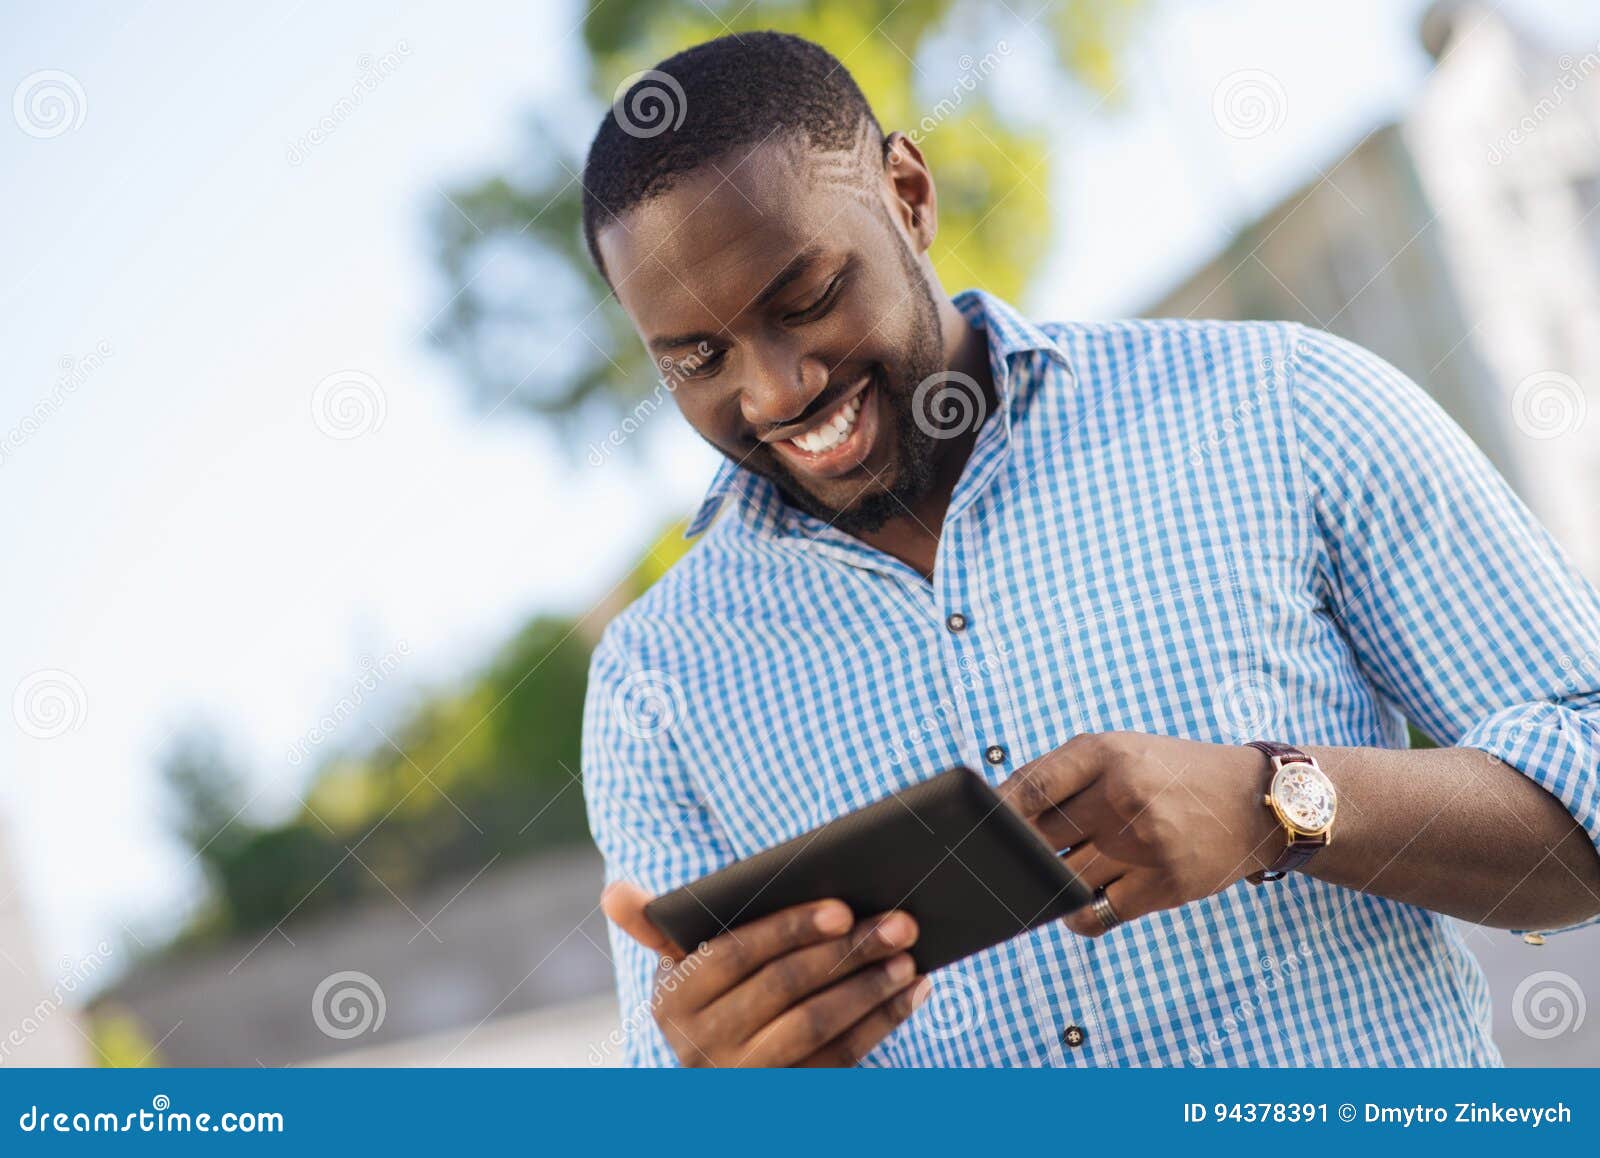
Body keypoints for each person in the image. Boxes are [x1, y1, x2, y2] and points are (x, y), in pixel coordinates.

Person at [578, 31, 1600, 1067]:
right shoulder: (654, 684)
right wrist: (730, 1085)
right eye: (699, 359)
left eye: (805, 303)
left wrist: (1273, 807)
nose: (776, 390)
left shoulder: (1284, 408)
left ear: (909, 193)